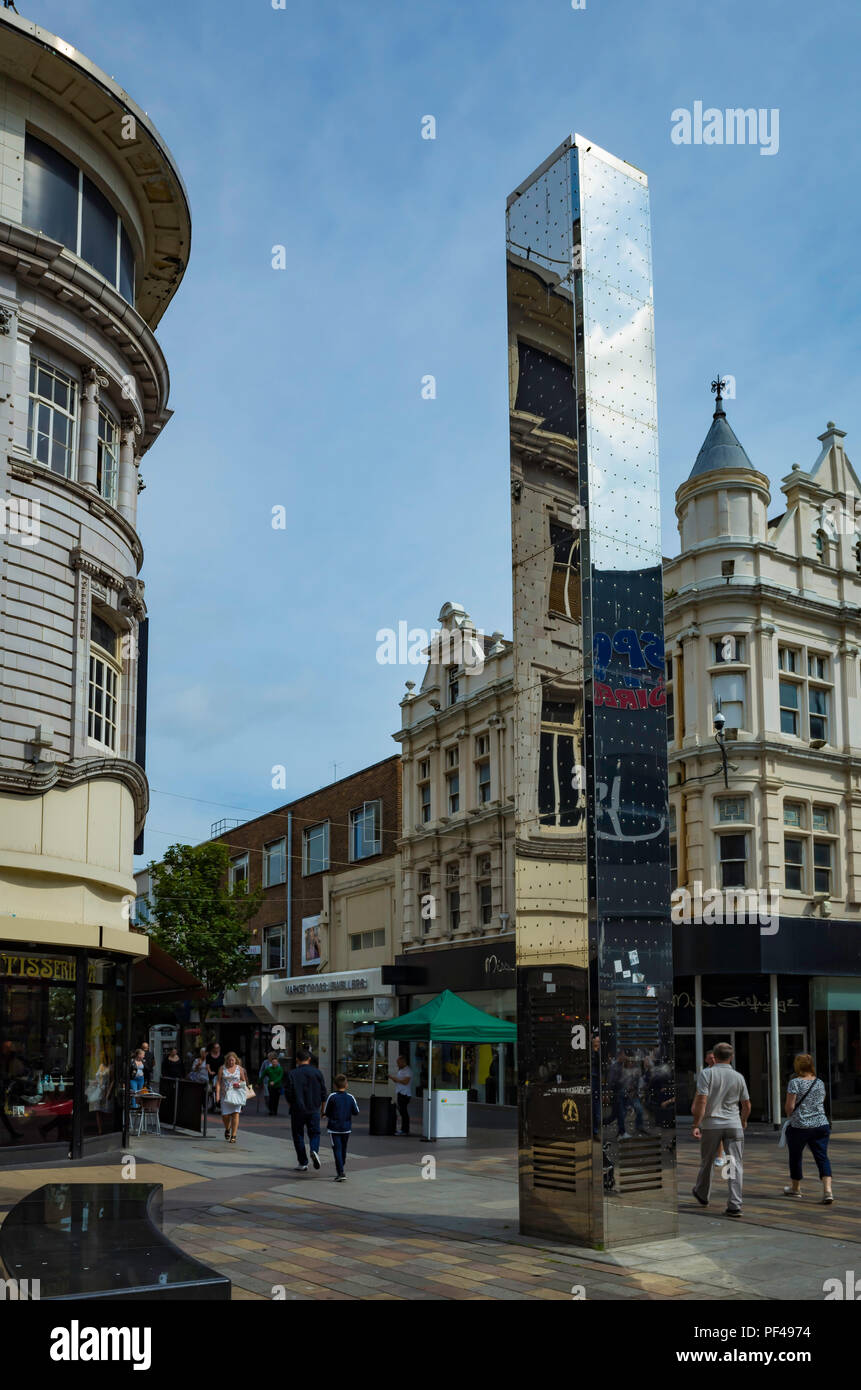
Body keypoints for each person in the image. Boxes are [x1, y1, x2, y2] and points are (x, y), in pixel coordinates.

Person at [691, 1040, 750, 1218]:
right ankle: (734, 1204)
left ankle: (702, 1194)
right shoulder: (739, 1077)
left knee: (707, 1161)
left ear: (714, 1057)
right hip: (733, 1125)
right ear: (731, 1057)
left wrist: (696, 1124)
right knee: (733, 1164)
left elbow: (702, 1100)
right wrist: (743, 1120)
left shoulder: (706, 1074)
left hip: (711, 1125)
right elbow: (746, 1104)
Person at [783, 1053, 833, 1204]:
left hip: (800, 1126)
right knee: (822, 1157)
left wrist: (788, 1114)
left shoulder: (794, 1083)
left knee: (796, 1156)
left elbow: (790, 1107)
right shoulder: (819, 1082)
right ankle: (827, 1191)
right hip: (821, 1125)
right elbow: (820, 1101)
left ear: (797, 1066)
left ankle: (796, 1188)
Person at [285, 1047, 327, 1171]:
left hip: (297, 1109)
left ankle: (303, 1162)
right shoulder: (317, 1072)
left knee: (298, 1134)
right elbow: (323, 1092)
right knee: (315, 1133)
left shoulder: (292, 1073)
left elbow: (288, 1093)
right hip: (314, 1108)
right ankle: (314, 1150)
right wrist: (323, 1109)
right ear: (309, 1059)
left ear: (297, 1060)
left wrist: (291, 1105)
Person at [323, 1074, 360, 1181]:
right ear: (346, 1085)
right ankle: (341, 1166)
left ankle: (340, 1172)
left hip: (334, 1128)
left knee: (337, 1150)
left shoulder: (332, 1096)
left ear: (335, 1085)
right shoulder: (350, 1097)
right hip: (346, 1128)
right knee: (344, 1149)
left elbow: (326, 1111)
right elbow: (356, 1112)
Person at [216, 1051, 249, 1144]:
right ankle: (227, 1128)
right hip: (225, 1095)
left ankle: (233, 1135)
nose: (231, 1062)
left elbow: (244, 1081)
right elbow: (218, 1082)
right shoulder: (222, 1068)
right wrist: (217, 1095)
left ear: (236, 1060)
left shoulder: (240, 1069)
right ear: (226, 1060)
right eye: (229, 1060)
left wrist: (238, 1084)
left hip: (236, 1094)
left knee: (235, 1114)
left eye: (233, 1060)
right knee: (225, 1115)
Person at [388, 1055, 412, 1135]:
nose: (397, 1064)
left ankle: (405, 1130)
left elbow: (406, 1082)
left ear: (403, 1062)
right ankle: (403, 1129)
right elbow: (399, 1081)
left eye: (398, 1063)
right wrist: (393, 1078)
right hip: (400, 1092)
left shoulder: (407, 1070)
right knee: (402, 1112)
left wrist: (395, 1079)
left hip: (405, 1094)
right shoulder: (401, 1070)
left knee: (404, 1112)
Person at [205, 1042, 222, 1111]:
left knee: (218, 1089)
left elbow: (223, 1066)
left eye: (218, 1047)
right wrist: (210, 1071)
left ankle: (218, 1104)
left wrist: (221, 1073)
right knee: (210, 1091)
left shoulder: (221, 1056)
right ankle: (212, 1104)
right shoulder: (209, 1056)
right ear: (213, 1049)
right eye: (216, 1048)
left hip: (219, 1075)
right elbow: (207, 1065)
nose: (217, 1049)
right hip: (211, 1075)